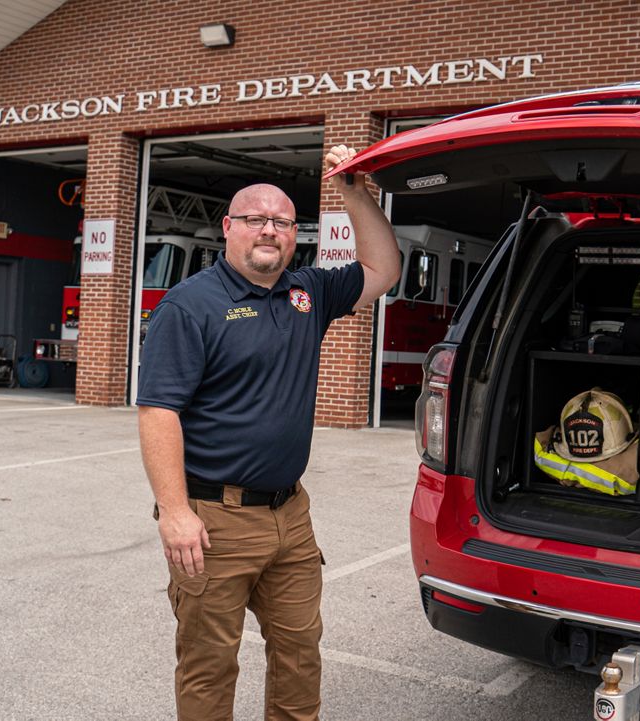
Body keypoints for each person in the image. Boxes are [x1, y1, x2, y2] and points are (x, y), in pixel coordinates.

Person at [136, 144, 399, 720]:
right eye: (255, 218)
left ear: (293, 235)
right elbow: (158, 412)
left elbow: (384, 268)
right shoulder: (190, 306)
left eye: (282, 222)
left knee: (300, 653)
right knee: (210, 666)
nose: (270, 230)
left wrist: (356, 193)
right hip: (214, 521)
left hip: (290, 517)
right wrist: (174, 511)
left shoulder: (308, 293)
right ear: (228, 228)